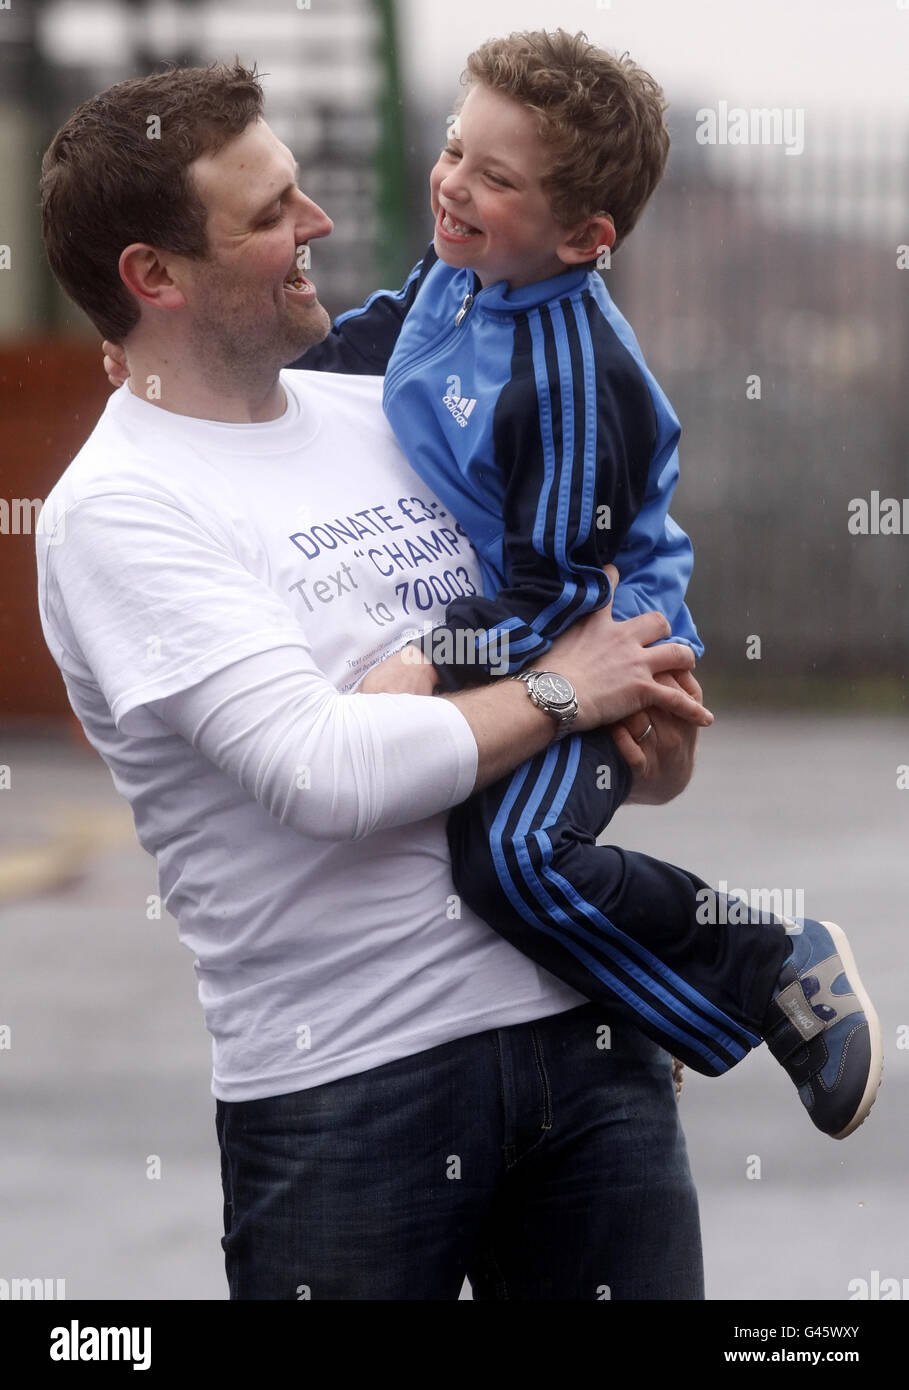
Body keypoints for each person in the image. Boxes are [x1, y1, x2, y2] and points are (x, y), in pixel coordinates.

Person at [38, 61, 710, 1300]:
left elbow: (609, 687)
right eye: (271, 212)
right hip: (351, 1090)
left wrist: (645, 733)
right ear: (154, 277)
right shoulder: (120, 511)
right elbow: (327, 774)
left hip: (588, 1042)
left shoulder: (386, 409)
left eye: (300, 191)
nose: (320, 227)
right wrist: (568, 692)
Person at [277, 30, 881, 1138]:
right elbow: (378, 338)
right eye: (456, 148)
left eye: (494, 179)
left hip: (613, 642)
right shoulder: (461, 277)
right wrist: (236, 375)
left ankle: (769, 962)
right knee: (491, 853)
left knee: (512, 857)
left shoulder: (570, 379)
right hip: (536, 630)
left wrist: (423, 661)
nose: (453, 183)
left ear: (583, 237)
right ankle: (648, 991)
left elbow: (558, 598)